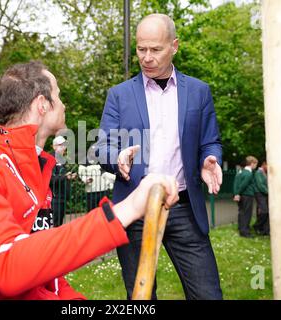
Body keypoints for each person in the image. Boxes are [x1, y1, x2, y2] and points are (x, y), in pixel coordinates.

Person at [0, 60, 179, 300]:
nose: (63, 105)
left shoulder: (35, 170)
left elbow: (48, 279)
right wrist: (129, 208)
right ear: (42, 104)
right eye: (58, 96)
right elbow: (7, 265)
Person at [96, 14, 223, 300]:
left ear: (174, 46)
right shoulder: (119, 95)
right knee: (141, 297)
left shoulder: (199, 92)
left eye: (155, 49)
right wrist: (118, 157)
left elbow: (210, 142)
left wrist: (209, 159)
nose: (147, 57)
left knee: (208, 294)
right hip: (134, 208)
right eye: (141, 49)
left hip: (183, 207)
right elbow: (101, 148)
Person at [50, 135, 76, 226]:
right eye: (61, 145)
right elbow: (50, 179)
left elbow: (61, 176)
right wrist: (65, 176)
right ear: (54, 146)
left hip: (62, 197)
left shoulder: (62, 159)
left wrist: (69, 176)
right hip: (54, 198)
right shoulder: (50, 159)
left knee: (59, 224)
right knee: (55, 225)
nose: (64, 148)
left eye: (65, 145)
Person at [236, 156, 258, 238]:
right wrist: (238, 193)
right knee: (247, 214)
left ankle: (242, 229)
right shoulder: (248, 173)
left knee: (242, 212)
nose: (256, 166)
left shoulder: (241, 172)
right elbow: (243, 185)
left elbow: (237, 183)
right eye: (256, 164)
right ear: (252, 163)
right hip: (247, 195)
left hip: (243, 195)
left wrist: (237, 193)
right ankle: (245, 232)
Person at [253, 160, 269, 235]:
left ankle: (265, 230)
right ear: (264, 164)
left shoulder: (265, 173)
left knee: (267, 212)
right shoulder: (258, 172)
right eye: (268, 165)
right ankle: (257, 226)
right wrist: (268, 192)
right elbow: (260, 185)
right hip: (260, 194)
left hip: (265, 194)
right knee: (264, 211)